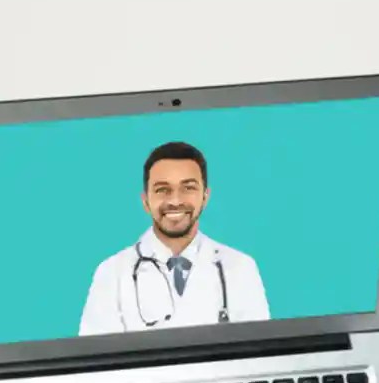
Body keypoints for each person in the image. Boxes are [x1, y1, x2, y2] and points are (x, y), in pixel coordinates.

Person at [78, 141, 270, 335]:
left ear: (205, 196)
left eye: (188, 188)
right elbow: (97, 362)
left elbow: (259, 359)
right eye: (162, 189)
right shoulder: (111, 274)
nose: (175, 201)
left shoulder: (241, 268)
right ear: (145, 201)